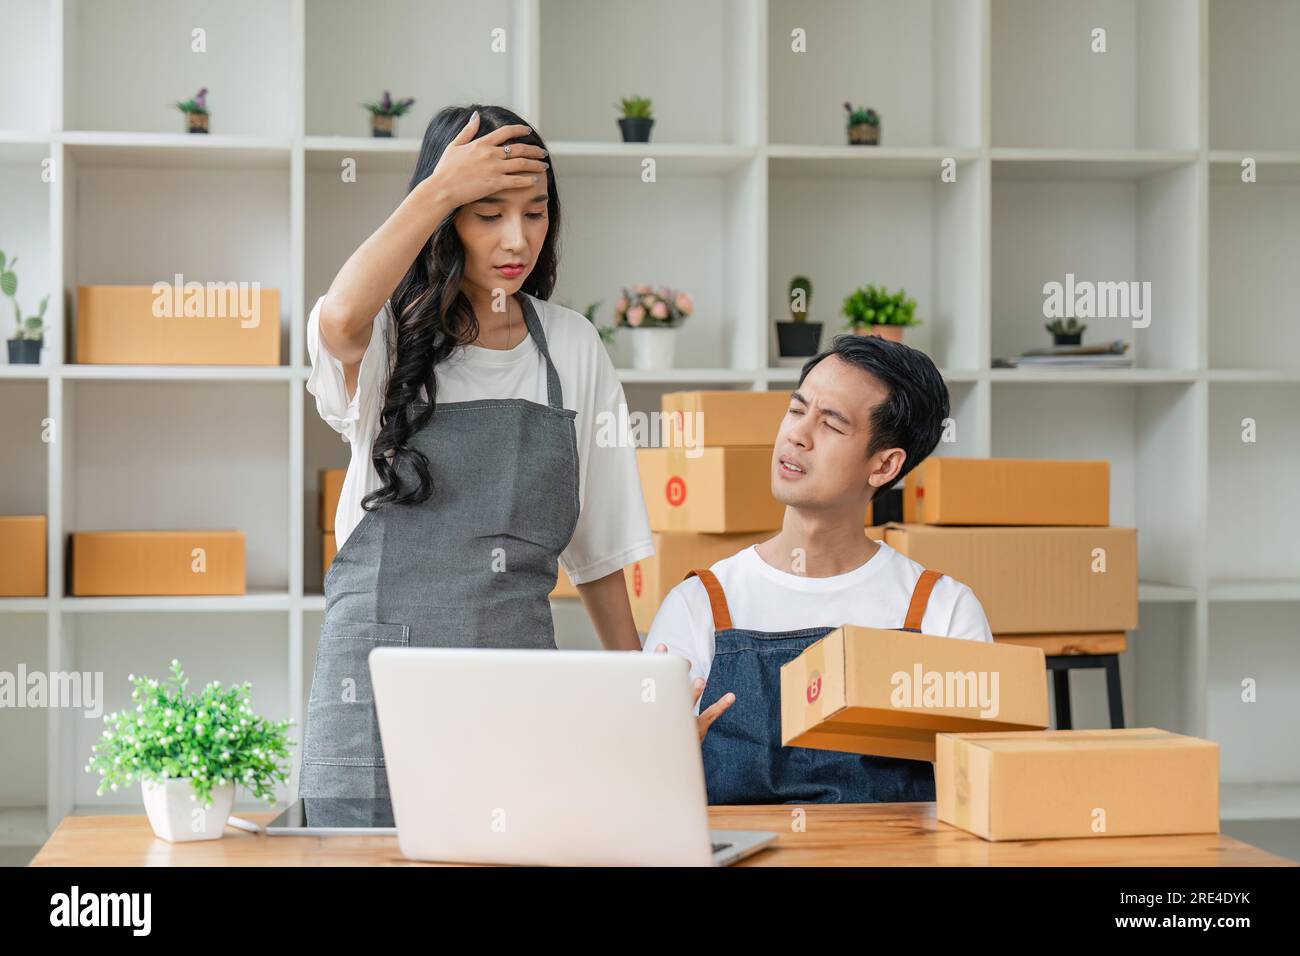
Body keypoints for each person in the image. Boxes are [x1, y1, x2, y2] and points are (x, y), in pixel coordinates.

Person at [300, 104, 652, 800]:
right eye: (486, 212)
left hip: (514, 683)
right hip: (372, 684)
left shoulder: (573, 346)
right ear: (445, 217)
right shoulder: (388, 338)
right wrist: (437, 187)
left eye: (535, 211)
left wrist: (645, 704)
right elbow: (338, 319)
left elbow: (601, 553)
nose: (516, 238)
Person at [645, 333, 993, 804]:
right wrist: (664, 761)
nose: (797, 434)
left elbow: (985, 790)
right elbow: (642, 788)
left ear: (885, 465)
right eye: (796, 410)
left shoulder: (941, 611)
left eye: (831, 424)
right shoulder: (701, 603)